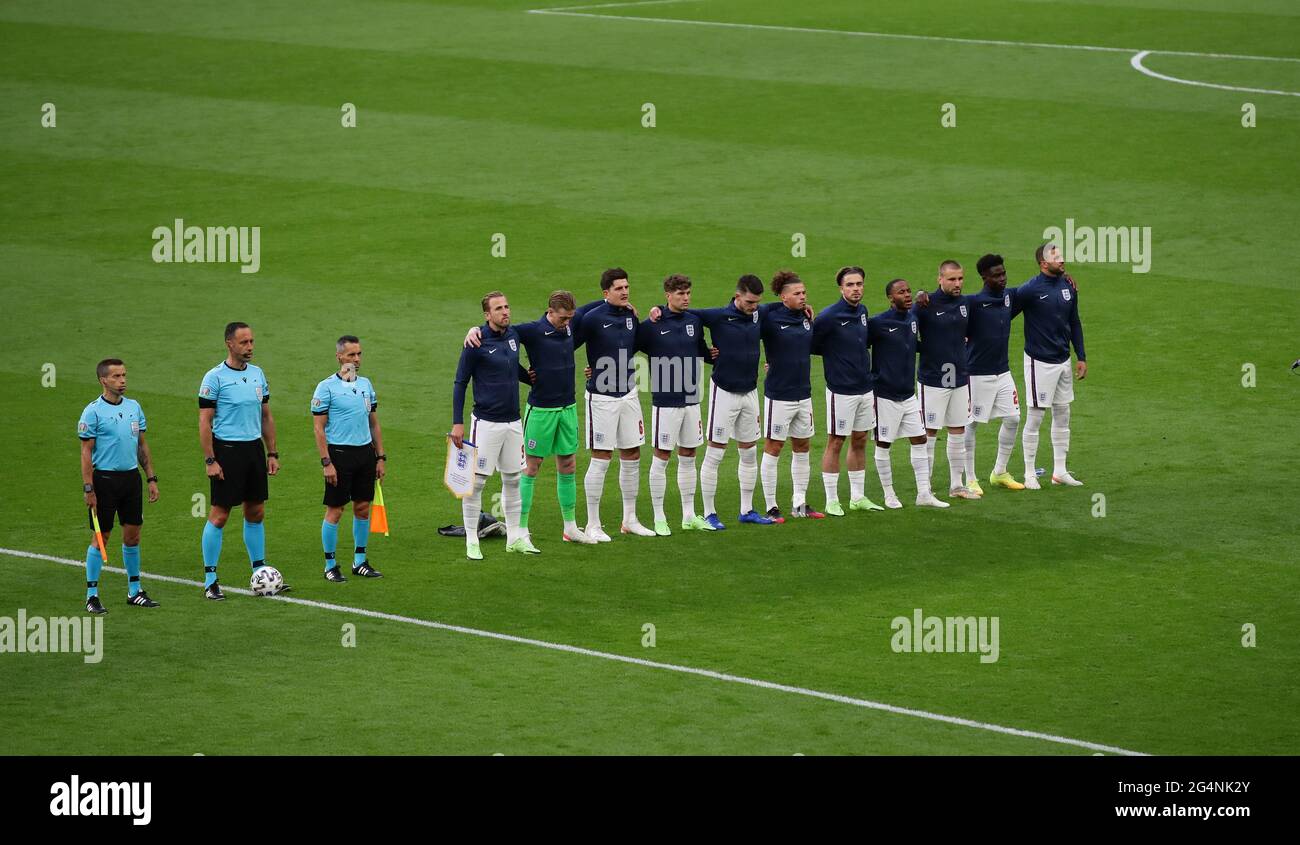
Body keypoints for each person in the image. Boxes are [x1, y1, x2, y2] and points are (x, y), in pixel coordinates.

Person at [464, 291, 594, 550]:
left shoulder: (569, 325)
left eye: (570, 318)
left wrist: (624, 304)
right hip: (541, 410)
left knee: (568, 464)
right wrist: (473, 330)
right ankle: (520, 528)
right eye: (562, 318)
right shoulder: (532, 331)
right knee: (530, 467)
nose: (567, 323)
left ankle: (570, 527)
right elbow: (499, 332)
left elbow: (594, 307)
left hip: (567, 407)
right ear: (550, 311)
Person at [657, 275, 775, 528]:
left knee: (749, 451)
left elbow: (777, 307)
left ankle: (747, 510)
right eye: (749, 301)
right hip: (724, 392)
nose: (754, 306)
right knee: (715, 454)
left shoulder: (758, 313)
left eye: (757, 302)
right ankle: (709, 513)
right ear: (737, 296)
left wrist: (804, 307)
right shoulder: (718, 316)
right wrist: (657, 310)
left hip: (751, 392)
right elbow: (684, 312)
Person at [198, 322, 288, 599]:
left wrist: (271, 452)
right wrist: (210, 459)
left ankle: (259, 572)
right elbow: (204, 422)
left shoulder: (258, 374)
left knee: (255, 511)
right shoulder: (214, 378)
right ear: (229, 344)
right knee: (220, 514)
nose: (249, 347)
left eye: (251, 342)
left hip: (253, 451)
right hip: (226, 450)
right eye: (244, 343)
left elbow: (266, 416)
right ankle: (210, 579)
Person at [573, 268, 653, 538]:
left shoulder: (631, 315)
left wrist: (655, 314)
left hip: (629, 394)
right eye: (619, 288)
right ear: (606, 292)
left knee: (632, 454)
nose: (625, 292)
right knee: (602, 457)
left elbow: (638, 345)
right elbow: (565, 340)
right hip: (602, 398)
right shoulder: (592, 318)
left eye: (627, 287)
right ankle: (592, 524)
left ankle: (629, 519)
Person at [78, 359, 160, 612]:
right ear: (104, 380)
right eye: (116, 376)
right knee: (101, 537)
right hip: (104, 481)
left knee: (133, 536)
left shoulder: (135, 407)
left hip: (130, 480)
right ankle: (92, 595)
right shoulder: (92, 412)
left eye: (124, 375)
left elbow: (141, 445)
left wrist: (151, 478)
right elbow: (86, 452)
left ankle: (134, 590)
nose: (122, 380)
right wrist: (89, 488)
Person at [450, 292, 526, 561]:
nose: (505, 311)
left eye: (507, 306)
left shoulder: (513, 336)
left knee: (514, 479)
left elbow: (512, 366)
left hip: (514, 422)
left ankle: (515, 538)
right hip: (485, 423)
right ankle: (472, 539)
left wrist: (531, 378)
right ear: (487, 315)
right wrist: (457, 423)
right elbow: (460, 382)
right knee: (478, 482)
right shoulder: (475, 342)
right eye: (498, 308)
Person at [636, 274, 714, 535]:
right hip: (665, 402)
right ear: (668, 295)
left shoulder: (694, 321)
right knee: (662, 457)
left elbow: (702, 350)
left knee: (689, 454)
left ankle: (689, 515)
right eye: (680, 294)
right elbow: (625, 347)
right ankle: (659, 517)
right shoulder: (652, 325)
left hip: (692, 399)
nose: (686, 298)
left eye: (688, 293)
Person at [867, 280, 949, 509]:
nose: (907, 295)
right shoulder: (878, 323)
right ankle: (889, 494)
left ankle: (924, 494)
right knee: (883, 444)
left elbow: (913, 344)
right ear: (890, 298)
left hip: (909, 394)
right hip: (884, 395)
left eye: (908, 291)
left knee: (920, 439)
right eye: (900, 292)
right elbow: (857, 346)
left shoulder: (912, 319)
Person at [812, 266, 885, 516]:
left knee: (860, 440)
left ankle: (857, 497)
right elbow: (810, 344)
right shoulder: (828, 316)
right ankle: (832, 500)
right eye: (851, 285)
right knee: (836, 441)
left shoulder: (863, 312)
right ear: (841, 288)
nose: (856, 289)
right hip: (840, 390)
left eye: (859, 284)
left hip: (865, 388)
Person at [312, 335, 386, 579]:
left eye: (359, 354)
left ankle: (360, 561)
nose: (357, 359)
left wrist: (380, 457)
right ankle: (330, 565)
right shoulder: (326, 387)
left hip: (365, 454)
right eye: (352, 354)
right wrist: (326, 462)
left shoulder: (365, 384)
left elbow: (373, 423)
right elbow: (319, 428)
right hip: (339, 455)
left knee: (363, 507)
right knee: (336, 510)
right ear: (339, 356)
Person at [1015, 243, 1087, 488]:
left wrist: (1081, 356)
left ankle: (1059, 472)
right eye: (1056, 257)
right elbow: (1005, 314)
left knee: (1063, 414)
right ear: (1043, 263)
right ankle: (1029, 474)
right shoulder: (1029, 289)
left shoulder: (1069, 285)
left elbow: (1074, 322)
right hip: (1039, 361)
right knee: (1035, 416)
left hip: (1063, 360)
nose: (1062, 259)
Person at [758, 270, 823, 521]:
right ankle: (771, 506)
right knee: (774, 447)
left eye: (804, 292)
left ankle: (800, 503)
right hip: (779, 395)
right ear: (784, 297)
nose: (803, 297)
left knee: (802, 446)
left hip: (803, 394)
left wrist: (807, 313)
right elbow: (751, 311)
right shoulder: (770, 316)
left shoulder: (807, 318)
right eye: (797, 293)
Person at [915, 261, 978, 500]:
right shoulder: (925, 304)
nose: (957, 284)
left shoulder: (965, 304)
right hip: (932, 378)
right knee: (929, 433)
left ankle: (956, 485)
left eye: (960, 279)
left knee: (958, 430)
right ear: (939, 279)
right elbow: (907, 330)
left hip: (960, 377)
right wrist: (928, 348)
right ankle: (926, 488)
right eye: (952, 279)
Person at [962, 254, 1025, 492]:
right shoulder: (973, 303)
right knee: (971, 424)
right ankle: (969, 478)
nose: (1002, 278)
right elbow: (945, 308)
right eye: (996, 275)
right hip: (977, 374)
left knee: (1013, 418)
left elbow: (1035, 287)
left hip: (1003, 372)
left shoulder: (1009, 298)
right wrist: (923, 298)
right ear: (984, 277)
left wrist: (1062, 277)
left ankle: (999, 472)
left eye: (1003, 273)